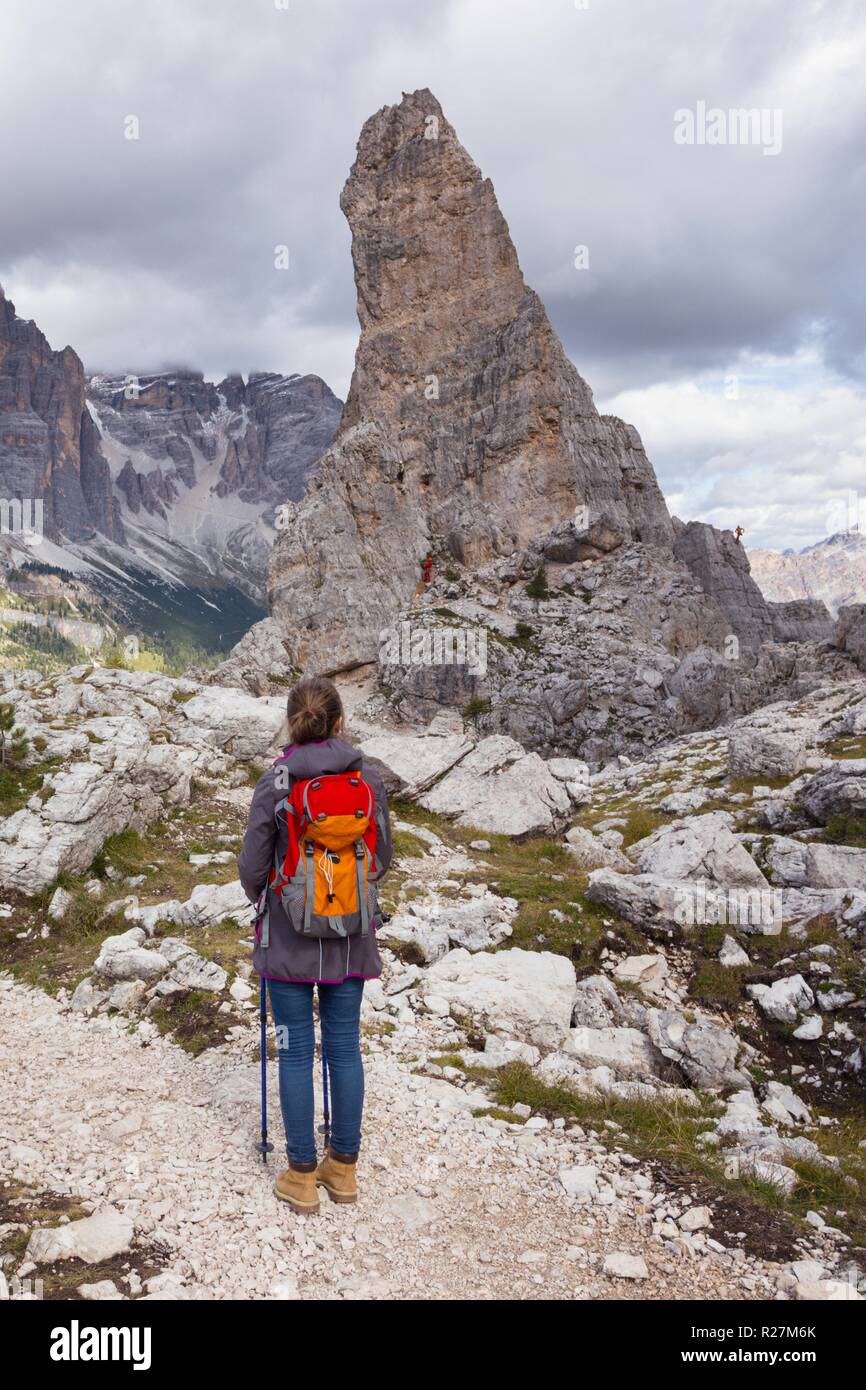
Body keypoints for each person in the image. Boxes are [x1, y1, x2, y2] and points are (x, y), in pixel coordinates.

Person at [238, 676, 392, 1214]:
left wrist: (277, 896)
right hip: (351, 938)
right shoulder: (366, 778)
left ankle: (301, 1175)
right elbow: (382, 859)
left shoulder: (274, 784)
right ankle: (343, 1170)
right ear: (340, 721)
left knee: (296, 1050)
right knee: (345, 1048)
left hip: (286, 944)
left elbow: (252, 871)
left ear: (290, 722)